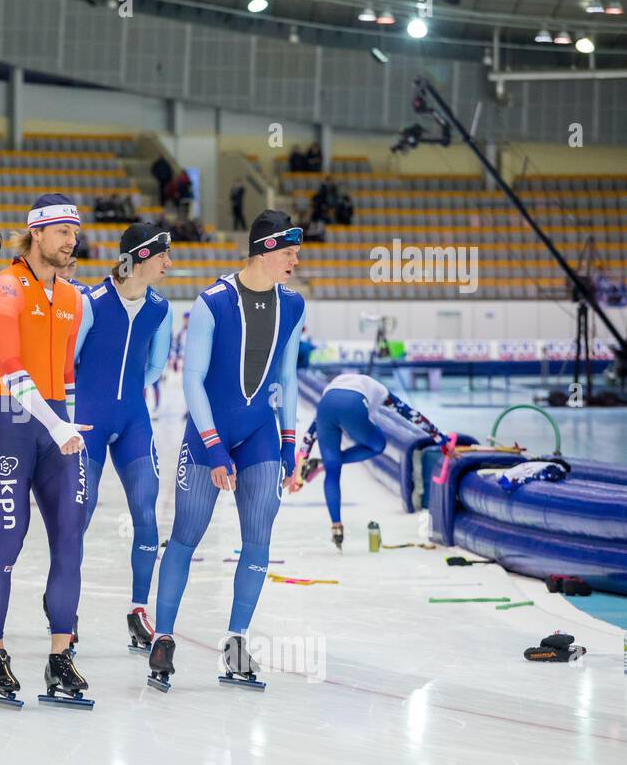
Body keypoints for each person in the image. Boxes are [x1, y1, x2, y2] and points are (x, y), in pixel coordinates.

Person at [147, 210, 306, 693]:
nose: (295, 260)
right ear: (264, 250)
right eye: (289, 252)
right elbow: (192, 379)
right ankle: (164, 638)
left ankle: (236, 643)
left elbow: (288, 377)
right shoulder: (213, 302)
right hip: (207, 437)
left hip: (260, 436)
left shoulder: (294, 305)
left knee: (258, 538)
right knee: (186, 536)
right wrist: (215, 449)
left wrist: (289, 441)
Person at [0, 192, 90, 708]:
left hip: (53, 427)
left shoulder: (71, 297)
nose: (72, 240)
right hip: (7, 424)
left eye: (76, 231)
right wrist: (56, 423)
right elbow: (8, 366)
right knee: (7, 541)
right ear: (37, 232)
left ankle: (60, 655)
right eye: (63, 231)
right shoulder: (4, 286)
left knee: (70, 537)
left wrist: (66, 419)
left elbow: (64, 375)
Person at [73, 222, 173, 654]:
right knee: (80, 515)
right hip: (89, 423)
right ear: (140, 259)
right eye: (163, 256)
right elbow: (68, 363)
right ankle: (65, 611)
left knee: (147, 514)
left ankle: (137, 610)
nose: (170, 264)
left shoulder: (159, 308)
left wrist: (130, 394)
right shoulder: (90, 303)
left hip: (133, 420)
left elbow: (155, 367)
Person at [291, 373, 447, 550]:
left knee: (333, 471)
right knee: (378, 444)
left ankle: (336, 527)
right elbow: (411, 414)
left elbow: (312, 431)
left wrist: (299, 468)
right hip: (352, 407)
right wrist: (439, 437)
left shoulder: (335, 386)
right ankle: (324, 464)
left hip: (326, 406)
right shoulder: (381, 391)